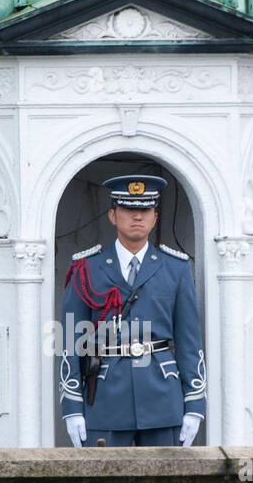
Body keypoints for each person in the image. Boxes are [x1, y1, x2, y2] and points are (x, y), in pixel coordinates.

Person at [58, 174, 206, 446]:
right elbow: (70, 341)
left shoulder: (176, 269)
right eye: (128, 209)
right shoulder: (86, 269)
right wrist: (72, 407)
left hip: (163, 399)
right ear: (113, 215)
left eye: (145, 210)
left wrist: (194, 403)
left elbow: (189, 340)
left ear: (154, 218)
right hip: (105, 398)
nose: (137, 216)